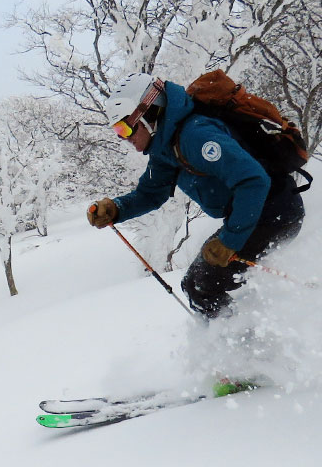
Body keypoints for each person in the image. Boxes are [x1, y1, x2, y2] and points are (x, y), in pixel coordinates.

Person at [87, 73, 305, 319]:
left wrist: (230, 242)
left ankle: (249, 349)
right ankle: (247, 336)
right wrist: (117, 209)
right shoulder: (165, 147)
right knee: (199, 285)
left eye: (126, 128)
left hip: (274, 211)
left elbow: (253, 180)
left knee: (203, 286)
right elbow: (150, 194)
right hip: (253, 215)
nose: (125, 138)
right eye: (118, 131)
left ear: (149, 113)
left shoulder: (195, 136)